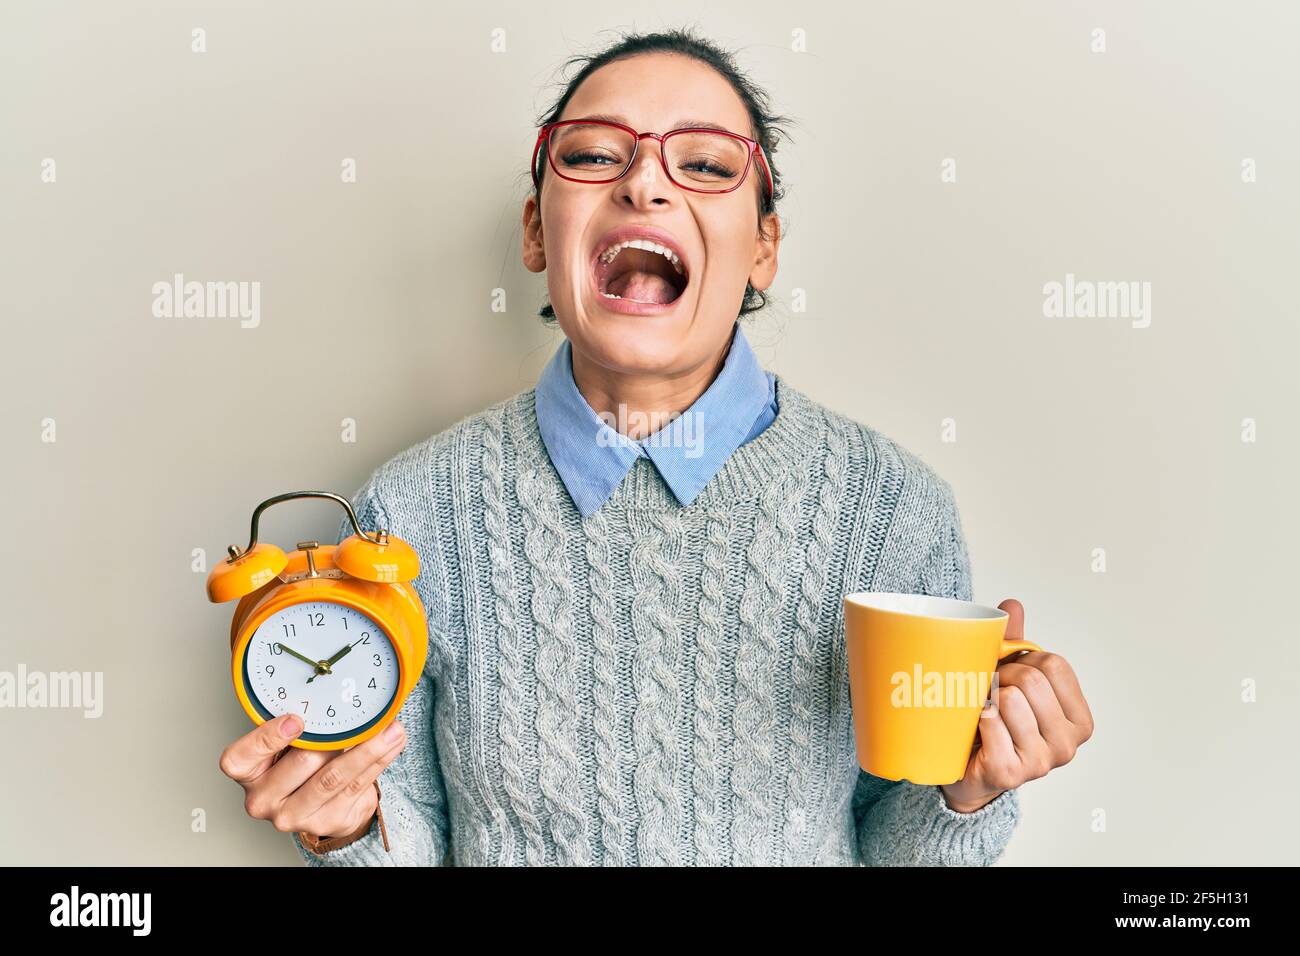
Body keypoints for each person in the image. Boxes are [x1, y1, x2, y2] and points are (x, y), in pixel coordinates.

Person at [219, 27, 1093, 866]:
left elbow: (901, 852)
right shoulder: (408, 512)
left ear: (763, 247)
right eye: (596, 156)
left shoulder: (895, 510)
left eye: (707, 164)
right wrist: (344, 830)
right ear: (535, 232)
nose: (645, 184)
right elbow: (408, 834)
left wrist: (969, 796)